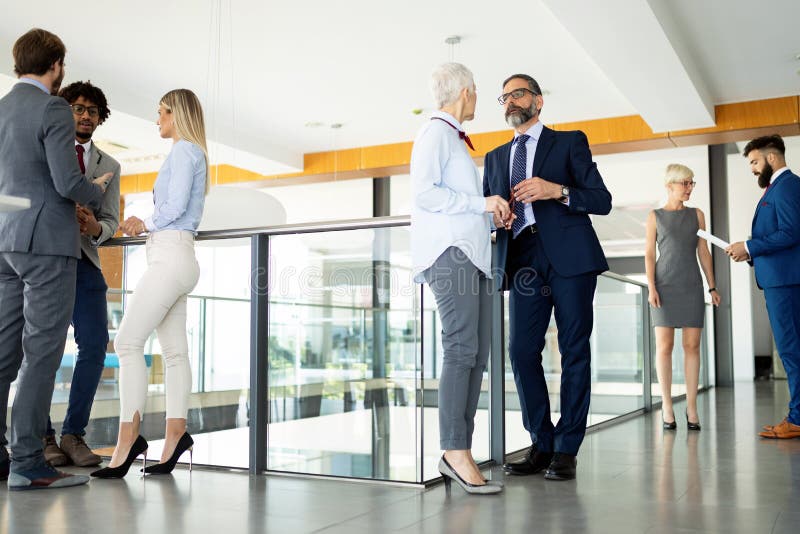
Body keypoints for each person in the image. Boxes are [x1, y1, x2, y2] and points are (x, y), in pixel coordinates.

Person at [484, 74, 612, 481]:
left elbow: (602, 200)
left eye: (517, 93)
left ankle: (567, 447)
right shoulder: (493, 157)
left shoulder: (570, 141)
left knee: (575, 350)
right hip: (521, 258)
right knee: (521, 351)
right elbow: (489, 211)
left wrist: (556, 190)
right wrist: (496, 215)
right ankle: (541, 440)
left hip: (570, 256)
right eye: (504, 96)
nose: (510, 101)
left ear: (538, 102)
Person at [0, 28, 109, 490]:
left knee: (4, 353)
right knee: (42, 353)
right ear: (57, 65)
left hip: (6, 240)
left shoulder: (2, 107)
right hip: (46, 242)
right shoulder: (53, 108)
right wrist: (96, 188)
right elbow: (68, 182)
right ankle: (27, 459)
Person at [91, 88, 208, 478]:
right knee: (175, 353)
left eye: (161, 112)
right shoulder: (194, 153)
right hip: (180, 256)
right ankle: (176, 437)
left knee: (126, 342)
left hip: (170, 254)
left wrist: (144, 221)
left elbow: (172, 208)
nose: (157, 119)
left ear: (178, 114)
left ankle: (128, 441)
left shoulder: (183, 151)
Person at [411, 63, 510, 494]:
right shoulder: (434, 133)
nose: (477, 98)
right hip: (450, 256)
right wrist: (482, 202)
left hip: (473, 256)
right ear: (466, 92)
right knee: (461, 349)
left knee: (478, 351)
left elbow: (460, 204)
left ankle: (459, 449)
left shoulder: (452, 139)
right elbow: (424, 193)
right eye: (477, 92)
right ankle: (454, 449)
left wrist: (489, 215)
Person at [42, 81, 121, 468]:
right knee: (44, 349)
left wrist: (95, 228)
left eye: (92, 110)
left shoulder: (110, 166)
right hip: (48, 261)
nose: (85, 115)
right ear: (65, 111)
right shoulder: (46, 150)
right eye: (78, 108)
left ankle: (74, 434)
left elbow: (111, 221)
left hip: (86, 264)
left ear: (100, 117)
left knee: (94, 346)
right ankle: (43, 436)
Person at [727, 134, 800, 439]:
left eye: (755, 162)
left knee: (791, 349)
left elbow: (791, 232)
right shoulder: (778, 188)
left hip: (786, 282)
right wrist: (749, 252)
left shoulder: (786, 187)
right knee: (792, 349)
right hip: (779, 279)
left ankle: (797, 419)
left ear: (771, 158)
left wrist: (750, 246)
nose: (753, 169)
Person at [645, 164, 720, 432]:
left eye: (692, 183)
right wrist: (651, 287)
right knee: (664, 347)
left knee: (692, 347)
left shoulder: (697, 215)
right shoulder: (655, 216)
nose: (689, 188)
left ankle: (691, 407)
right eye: (685, 183)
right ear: (670, 185)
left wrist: (712, 287)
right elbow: (650, 255)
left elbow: (704, 251)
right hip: (664, 286)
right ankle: (666, 406)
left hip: (690, 285)